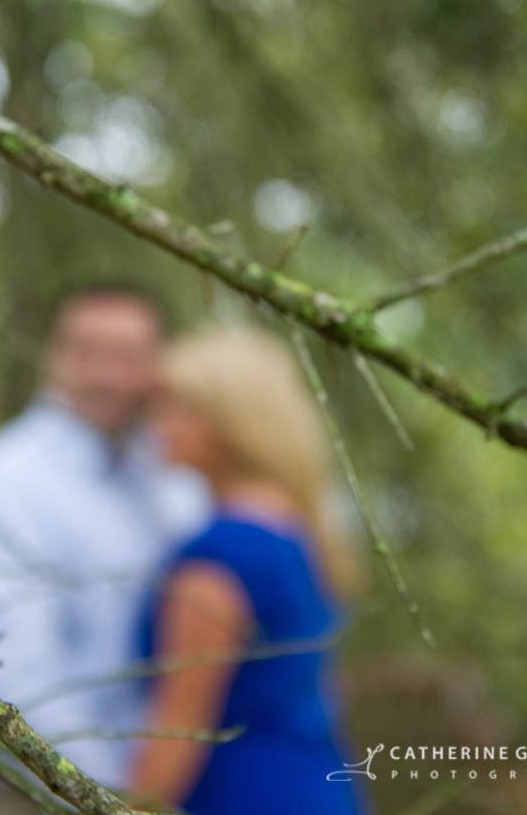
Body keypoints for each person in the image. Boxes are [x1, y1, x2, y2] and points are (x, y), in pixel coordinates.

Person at [0, 283, 211, 815]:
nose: (106, 375)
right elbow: (9, 675)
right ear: (53, 355)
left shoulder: (175, 482)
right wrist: (112, 798)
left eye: (129, 356)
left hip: (154, 790)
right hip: (24, 794)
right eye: (85, 351)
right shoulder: (0, 483)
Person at [130, 326, 370, 815]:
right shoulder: (299, 530)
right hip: (317, 784)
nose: (159, 421)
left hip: (240, 794)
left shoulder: (222, 556)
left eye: (179, 405)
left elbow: (177, 732)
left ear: (231, 421)